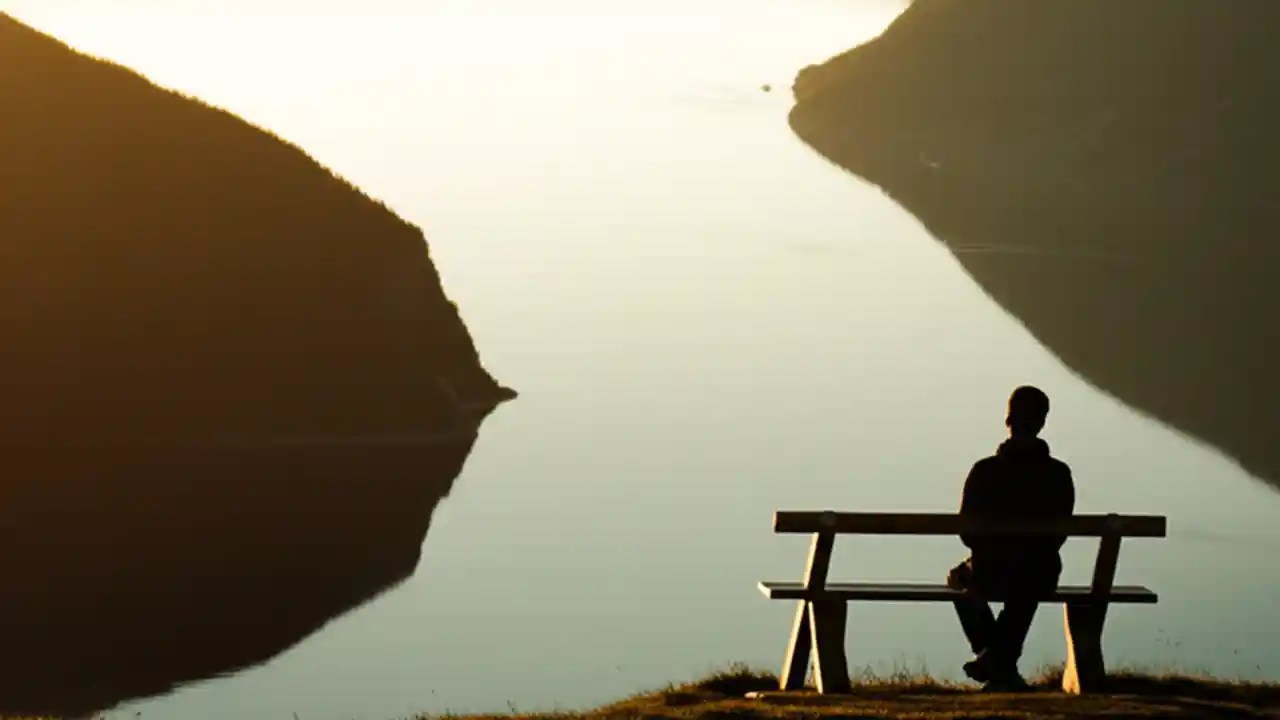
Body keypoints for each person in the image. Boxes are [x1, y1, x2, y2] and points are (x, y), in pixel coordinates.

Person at [948, 385, 1075, 690]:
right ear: (1042, 422)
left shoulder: (984, 471)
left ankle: (995, 661)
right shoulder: (1058, 474)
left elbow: (967, 533)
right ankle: (1001, 665)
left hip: (990, 571)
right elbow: (1058, 536)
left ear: (1008, 420)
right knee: (1028, 579)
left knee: (958, 579)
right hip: (1039, 572)